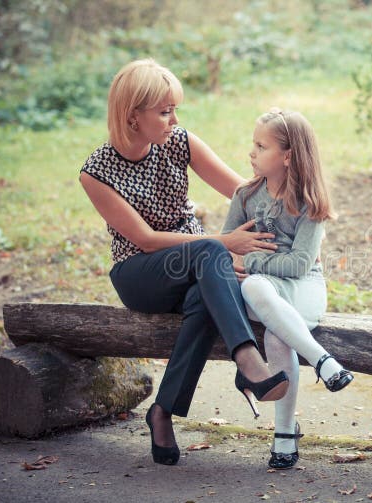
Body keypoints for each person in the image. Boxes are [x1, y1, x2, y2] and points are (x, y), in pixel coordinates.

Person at [79, 59, 290, 466]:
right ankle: (247, 359)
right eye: (164, 111)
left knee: (205, 300)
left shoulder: (179, 141)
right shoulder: (96, 172)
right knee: (213, 253)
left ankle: (162, 411)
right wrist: (224, 241)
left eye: (175, 108)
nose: (175, 119)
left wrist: (293, 205)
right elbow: (144, 238)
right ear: (132, 117)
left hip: (196, 262)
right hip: (141, 272)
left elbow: (241, 191)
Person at [222, 107, 354, 470]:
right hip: (259, 293)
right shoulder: (245, 196)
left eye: (261, 146)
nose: (251, 153)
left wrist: (250, 263)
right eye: (253, 144)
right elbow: (229, 247)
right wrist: (249, 264)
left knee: (278, 335)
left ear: (288, 155)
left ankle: (284, 432)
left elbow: (299, 265)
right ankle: (323, 361)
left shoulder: (309, 200)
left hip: (303, 289)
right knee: (255, 290)